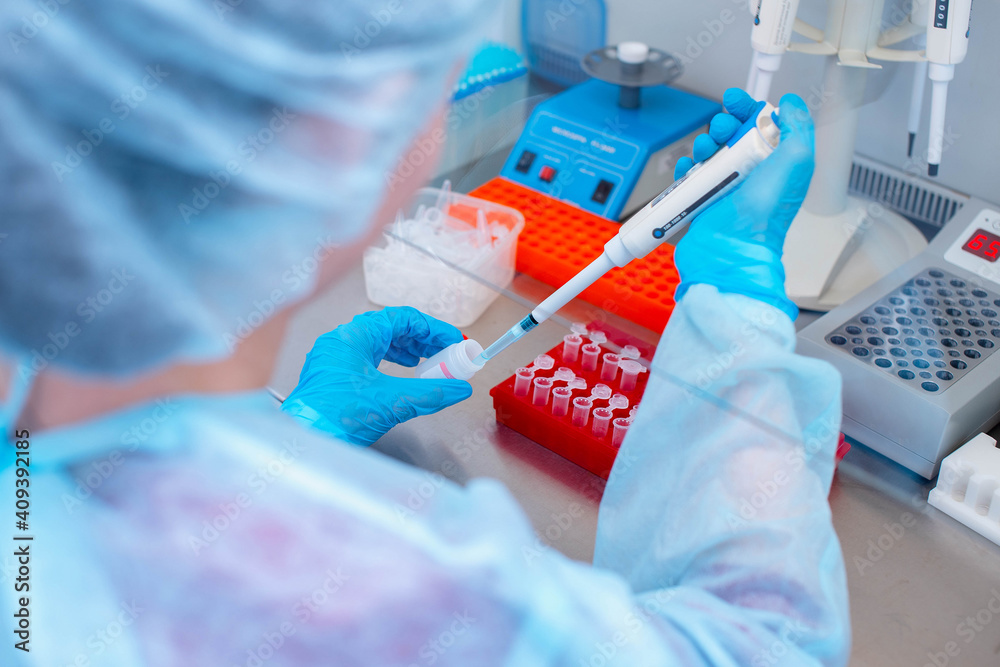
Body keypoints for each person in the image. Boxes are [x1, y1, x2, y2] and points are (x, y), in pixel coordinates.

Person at [0, 1, 849, 665]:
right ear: (337, 125)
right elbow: (763, 648)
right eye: (435, 76)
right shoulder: (372, 590)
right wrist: (737, 305)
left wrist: (298, 431)